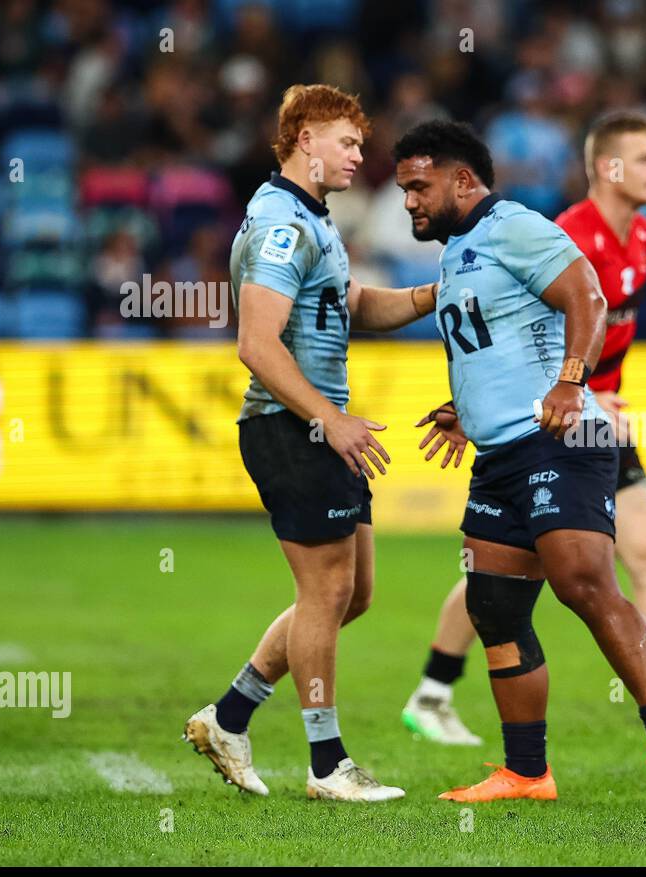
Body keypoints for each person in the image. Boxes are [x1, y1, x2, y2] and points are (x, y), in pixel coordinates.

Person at [402, 111, 646, 746]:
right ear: (608, 167)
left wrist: (597, 396)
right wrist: (566, 391)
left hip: (596, 419)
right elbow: (520, 333)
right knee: (517, 569)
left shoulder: (644, 238)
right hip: (558, 422)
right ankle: (433, 687)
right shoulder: (564, 234)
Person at [183, 84, 438, 802]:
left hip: (316, 427)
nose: (362, 155)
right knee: (325, 589)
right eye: (348, 142)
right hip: (291, 426)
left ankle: (230, 716)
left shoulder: (311, 219)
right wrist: (330, 418)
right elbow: (256, 346)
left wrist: (429, 296)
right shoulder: (282, 225)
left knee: (350, 593)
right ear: (304, 141)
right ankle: (328, 764)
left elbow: (354, 306)